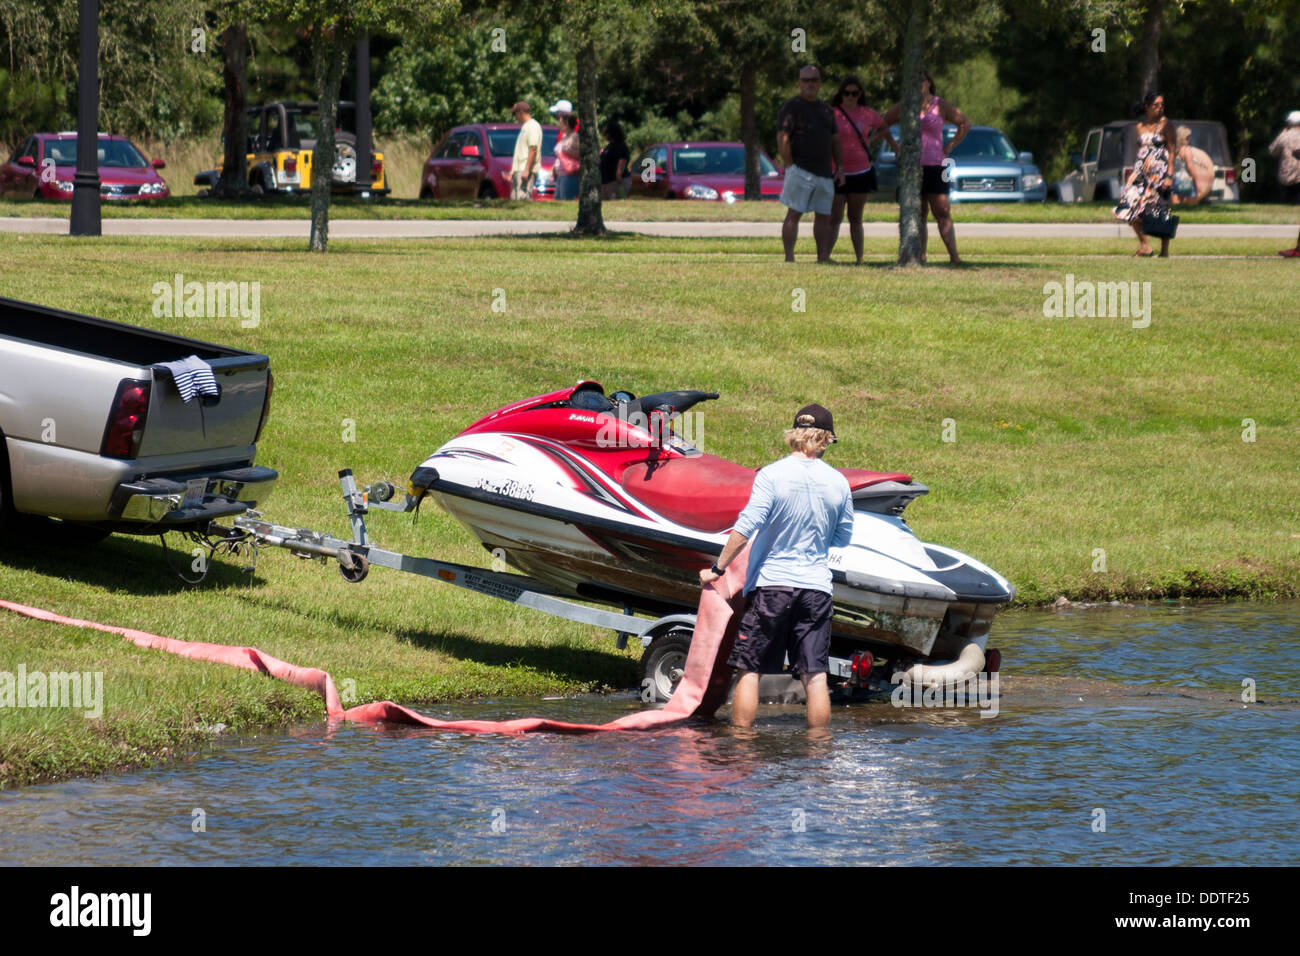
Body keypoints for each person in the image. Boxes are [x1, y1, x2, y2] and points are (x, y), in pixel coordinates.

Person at [698, 403, 855, 729]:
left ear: (795, 434)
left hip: (772, 586)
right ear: (826, 439)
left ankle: (742, 747)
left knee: (750, 668)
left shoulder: (771, 475)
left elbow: (746, 527)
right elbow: (842, 537)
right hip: (816, 590)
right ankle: (817, 757)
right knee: (814, 674)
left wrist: (718, 568)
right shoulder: (840, 483)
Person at [882, 69, 970, 264]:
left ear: (929, 82)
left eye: (921, 80)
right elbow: (882, 123)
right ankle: (919, 256)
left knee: (942, 210)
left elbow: (965, 123)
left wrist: (950, 145)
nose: (918, 84)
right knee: (918, 213)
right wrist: (897, 147)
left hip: (937, 164)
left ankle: (954, 257)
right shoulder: (905, 106)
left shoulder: (941, 105)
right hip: (913, 167)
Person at [776, 65, 845, 262]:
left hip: (824, 172)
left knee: (824, 216)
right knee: (794, 213)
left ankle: (822, 257)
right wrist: (790, 165)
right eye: (805, 80)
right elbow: (783, 136)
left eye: (814, 80)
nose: (810, 84)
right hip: (800, 170)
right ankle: (789, 257)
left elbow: (835, 140)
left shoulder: (826, 109)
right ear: (799, 83)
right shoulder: (791, 107)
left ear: (820, 83)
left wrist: (840, 168)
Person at [828, 75, 895, 264]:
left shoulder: (867, 113)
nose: (850, 97)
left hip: (861, 171)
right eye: (846, 93)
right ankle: (825, 255)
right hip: (836, 171)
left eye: (854, 93)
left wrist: (874, 140)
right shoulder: (832, 113)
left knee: (855, 217)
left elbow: (884, 128)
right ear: (840, 94)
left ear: (860, 95)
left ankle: (859, 258)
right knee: (834, 217)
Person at [1113, 91, 1177, 257]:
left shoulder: (1166, 125)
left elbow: (1172, 151)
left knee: (1161, 210)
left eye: (1162, 105)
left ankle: (1164, 251)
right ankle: (1145, 245)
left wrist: (1169, 175)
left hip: (1160, 174)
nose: (1160, 108)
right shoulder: (1139, 127)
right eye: (1156, 105)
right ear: (1146, 107)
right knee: (1129, 205)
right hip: (1141, 174)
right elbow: (1139, 151)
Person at [1268, 110, 1300, 258]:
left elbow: (1272, 151)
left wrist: (1282, 135)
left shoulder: (1284, 136)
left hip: (1288, 180)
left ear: (1289, 123)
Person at [1171, 125, 1214, 206]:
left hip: (1175, 180)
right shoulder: (1187, 150)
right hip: (1186, 181)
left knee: (1176, 207)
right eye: (1189, 137)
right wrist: (1196, 180)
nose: (1190, 139)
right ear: (1185, 138)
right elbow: (1190, 166)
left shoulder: (1174, 150)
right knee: (1191, 206)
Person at [508, 101, 542, 201]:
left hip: (525, 171)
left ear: (521, 112)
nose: (515, 117)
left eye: (515, 113)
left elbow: (533, 149)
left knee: (522, 200)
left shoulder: (533, 126)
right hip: (519, 170)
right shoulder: (525, 127)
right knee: (515, 200)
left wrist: (527, 170)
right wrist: (513, 170)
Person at [600, 119, 630, 200]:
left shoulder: (621, 147)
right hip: (606, 181)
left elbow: (621, 163)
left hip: (615, 182)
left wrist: (618, 178)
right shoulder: (609, 147)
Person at [554, 113, 580, 200]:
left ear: (567, 123)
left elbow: (579, 154)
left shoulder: (575, 137)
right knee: (558, 200)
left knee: (566, 200)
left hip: (569, 175)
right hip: (560, 174)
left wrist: (566, 150)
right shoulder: (564, 137)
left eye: (560, 122)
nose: (558, 124)